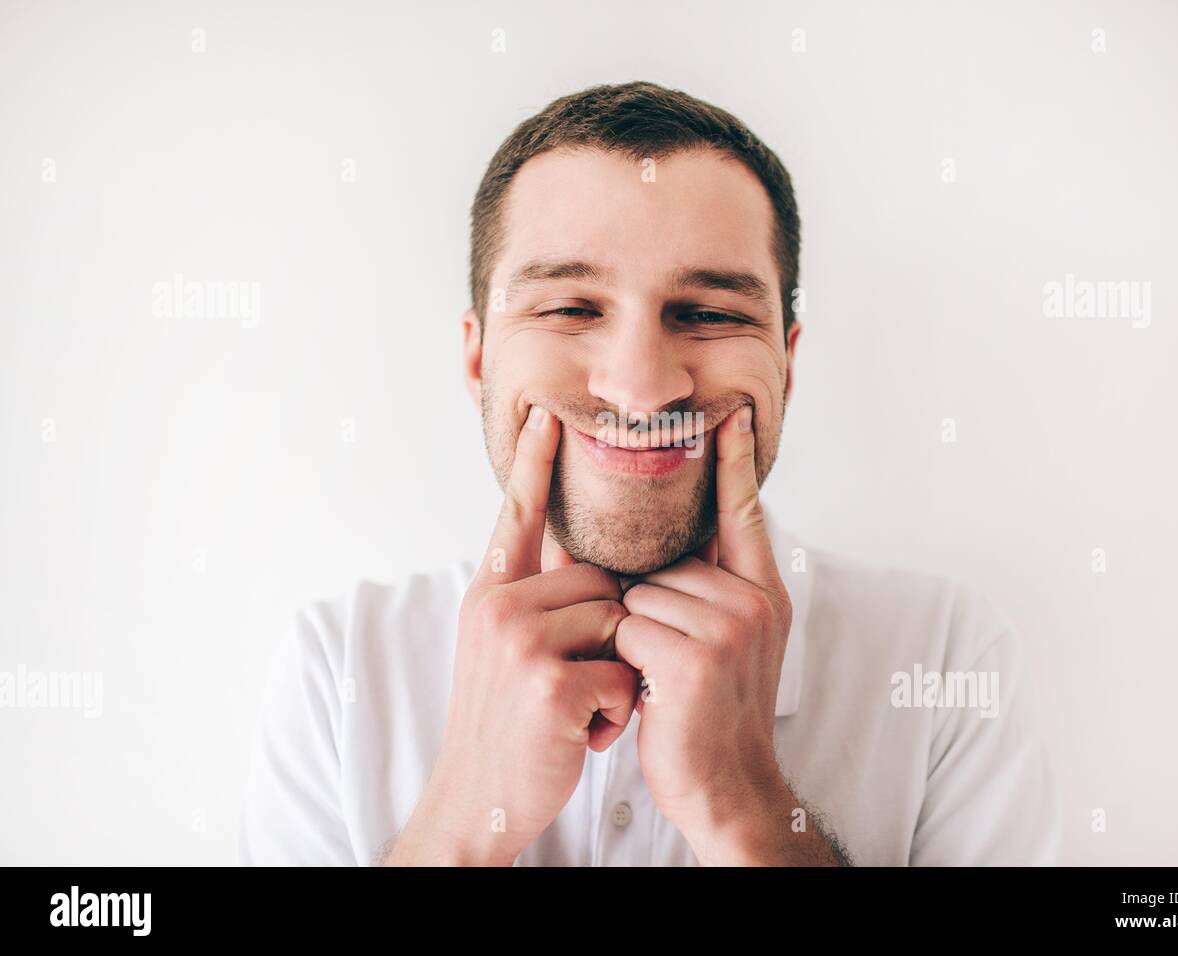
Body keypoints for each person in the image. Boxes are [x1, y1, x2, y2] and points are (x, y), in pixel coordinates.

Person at [238, 81, 1060, 866]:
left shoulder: (948, 660)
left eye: (707, 314)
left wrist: (744, 807)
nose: (640, 387)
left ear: (786, 363)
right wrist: (462, 821)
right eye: (569, 308)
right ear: (479, 357)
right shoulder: (335, 671)